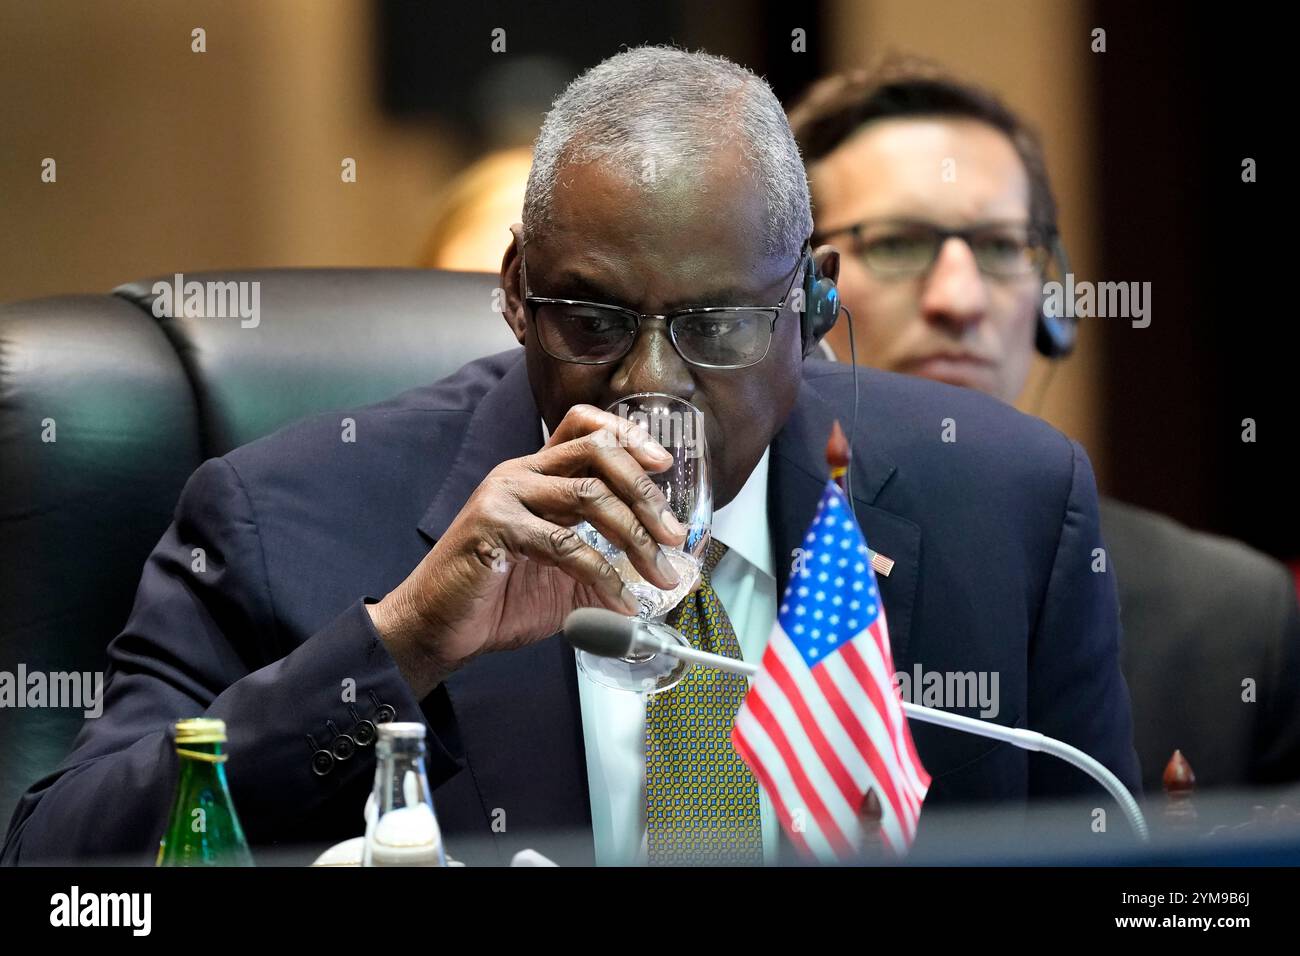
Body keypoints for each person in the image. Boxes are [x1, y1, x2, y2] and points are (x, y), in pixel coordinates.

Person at [3, 47, 1138, 867]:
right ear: (512, 295)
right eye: (590, 319)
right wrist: (401, 641)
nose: (650, 380)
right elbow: (65, 875)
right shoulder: (281, 516)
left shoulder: (1008, 505)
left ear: (813, 298)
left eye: (716, 325)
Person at [788, 57, 1300, 794]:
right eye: (896, 243)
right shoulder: (717, 578)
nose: (959, 299)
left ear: (1051, 308)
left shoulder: (1229, 619)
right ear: (801, 293)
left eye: (999, 248)